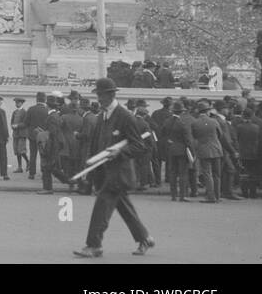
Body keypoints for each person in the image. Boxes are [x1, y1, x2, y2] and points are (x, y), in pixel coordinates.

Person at [73, 77, 154, 258]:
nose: (99, 99)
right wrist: (92, 168)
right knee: (125, 208)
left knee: (101, 209)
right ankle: (145, 238)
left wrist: (120, 152)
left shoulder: (125, 116)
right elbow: (97, 146)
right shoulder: (102, 116)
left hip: (119, 175)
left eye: (101, 95)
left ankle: (94, 245)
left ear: (110, 95)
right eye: (98, 95)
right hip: (105, 174)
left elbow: (139, 146)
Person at [162, 100, 194, 201]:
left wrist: (169, 142)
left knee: (172, 173)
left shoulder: (167, 121)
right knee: (183, 173)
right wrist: (192, 152)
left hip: (171, 149)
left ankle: (173, 195)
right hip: (182, 150)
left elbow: (162, 134)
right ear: (181, 111)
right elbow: (188, 139)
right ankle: (182, 195)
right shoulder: (182, 123)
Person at [24, 92, 50, 179]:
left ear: (36, 99)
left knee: (33, 155)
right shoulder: (47, 110)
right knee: (44, 155)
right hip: (43, 137)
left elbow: (26, 123)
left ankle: (32, 173)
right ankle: (44, 173)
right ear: (45, 100)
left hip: (32, 136)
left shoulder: (31, 109)